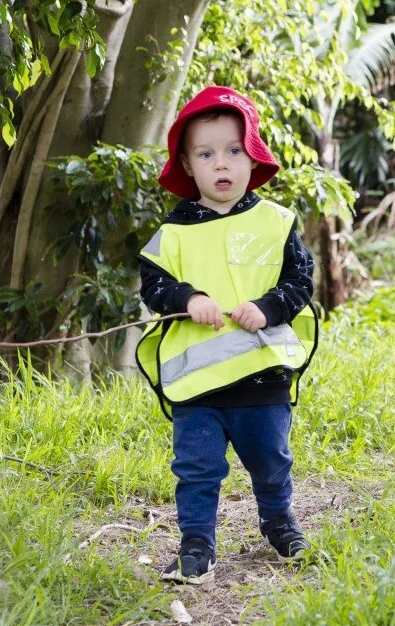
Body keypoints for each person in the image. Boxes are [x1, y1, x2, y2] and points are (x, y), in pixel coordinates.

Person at [136, 86, 317, 586]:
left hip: (262, 377)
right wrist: (187, 299)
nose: (222, 163)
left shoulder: (276, 223)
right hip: (198, 386)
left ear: (252, 156)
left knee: (271, 461)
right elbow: (153, 284)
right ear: (188, 166)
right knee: (196, 468)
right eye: (206, 153)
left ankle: (280, 522)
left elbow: (300, 281)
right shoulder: (172, 233)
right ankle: (197, 544)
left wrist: (267, 308)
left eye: (234, 150)